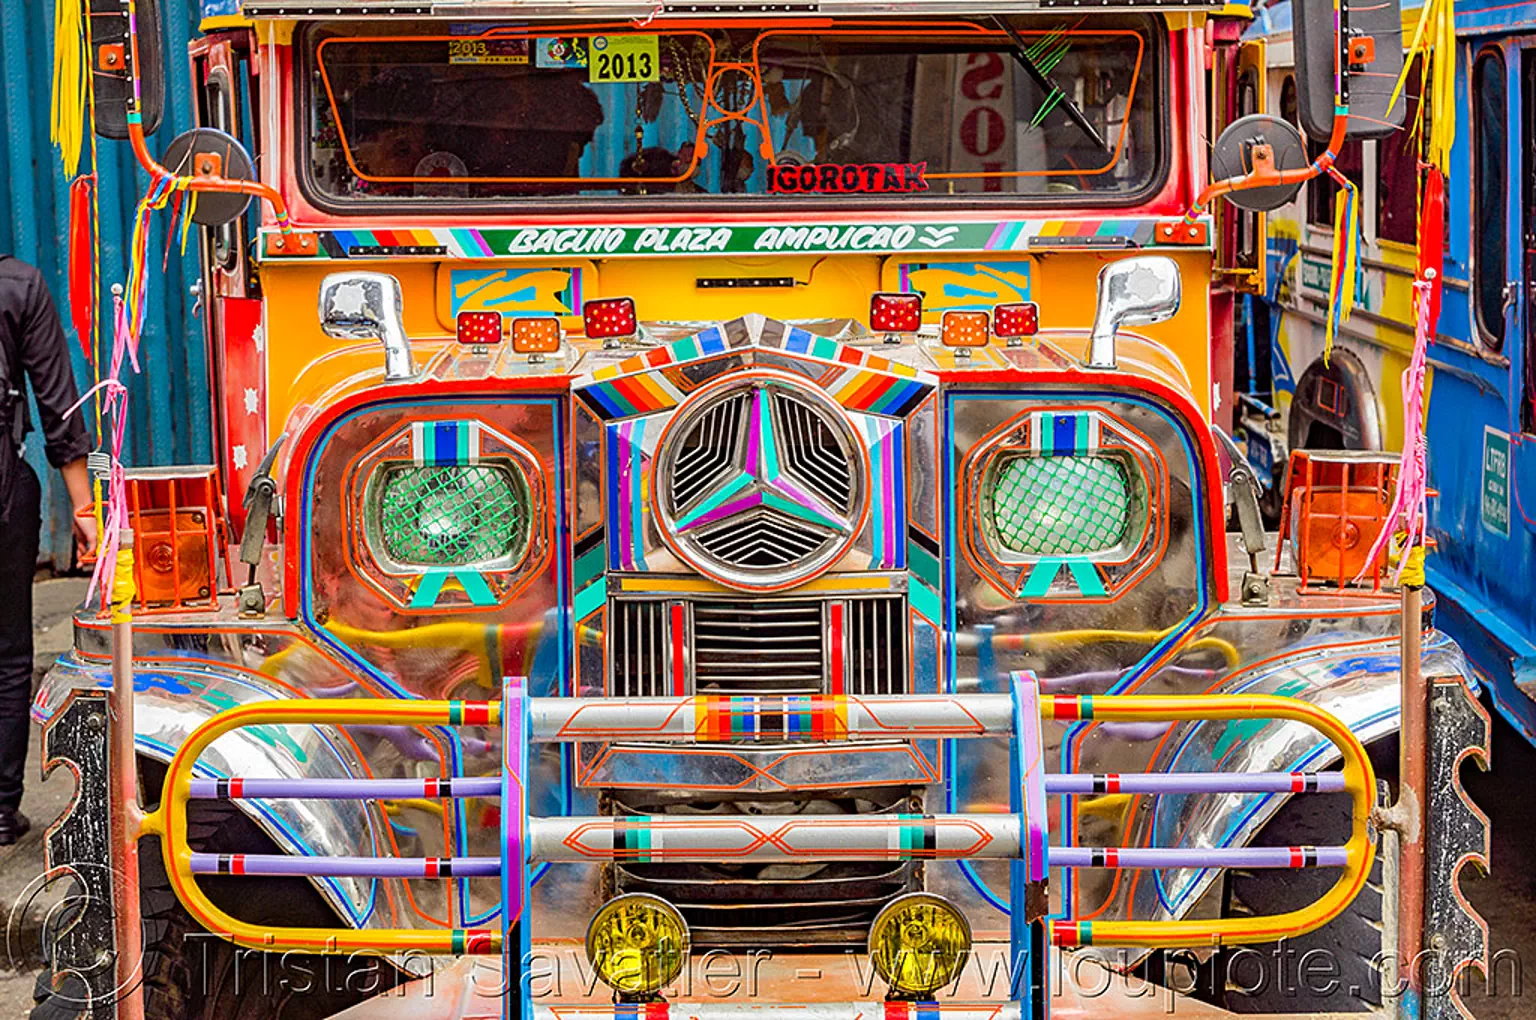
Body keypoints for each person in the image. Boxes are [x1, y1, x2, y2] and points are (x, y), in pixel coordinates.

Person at [0, 255, 96, 845]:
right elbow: (60, 410)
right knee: (8, 653)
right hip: (3, 493)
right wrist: (86, 514)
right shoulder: (17, 285)